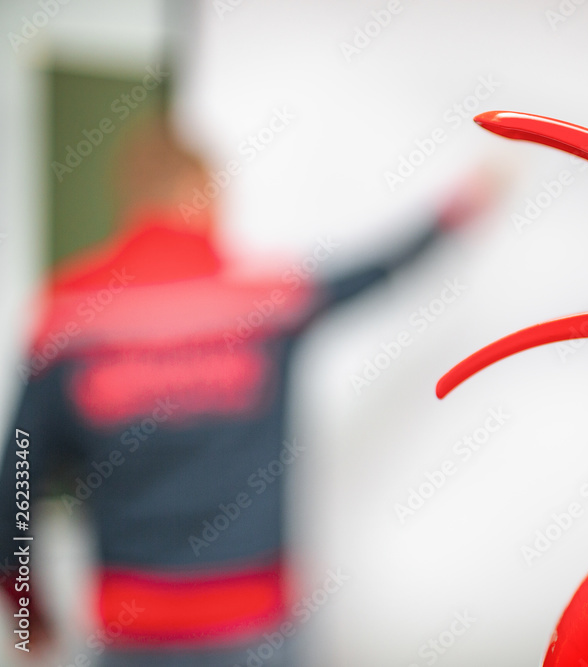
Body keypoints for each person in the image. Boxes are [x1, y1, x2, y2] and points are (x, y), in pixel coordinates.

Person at [0, 114, 489, 666]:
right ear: (204, 194)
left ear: (131, 198)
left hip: (132, 630)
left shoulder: (66, 316)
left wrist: (26, 616)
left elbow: (17, 477)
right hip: (252, 626)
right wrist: (457, 212)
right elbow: (372, 272)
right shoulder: (265, 300)